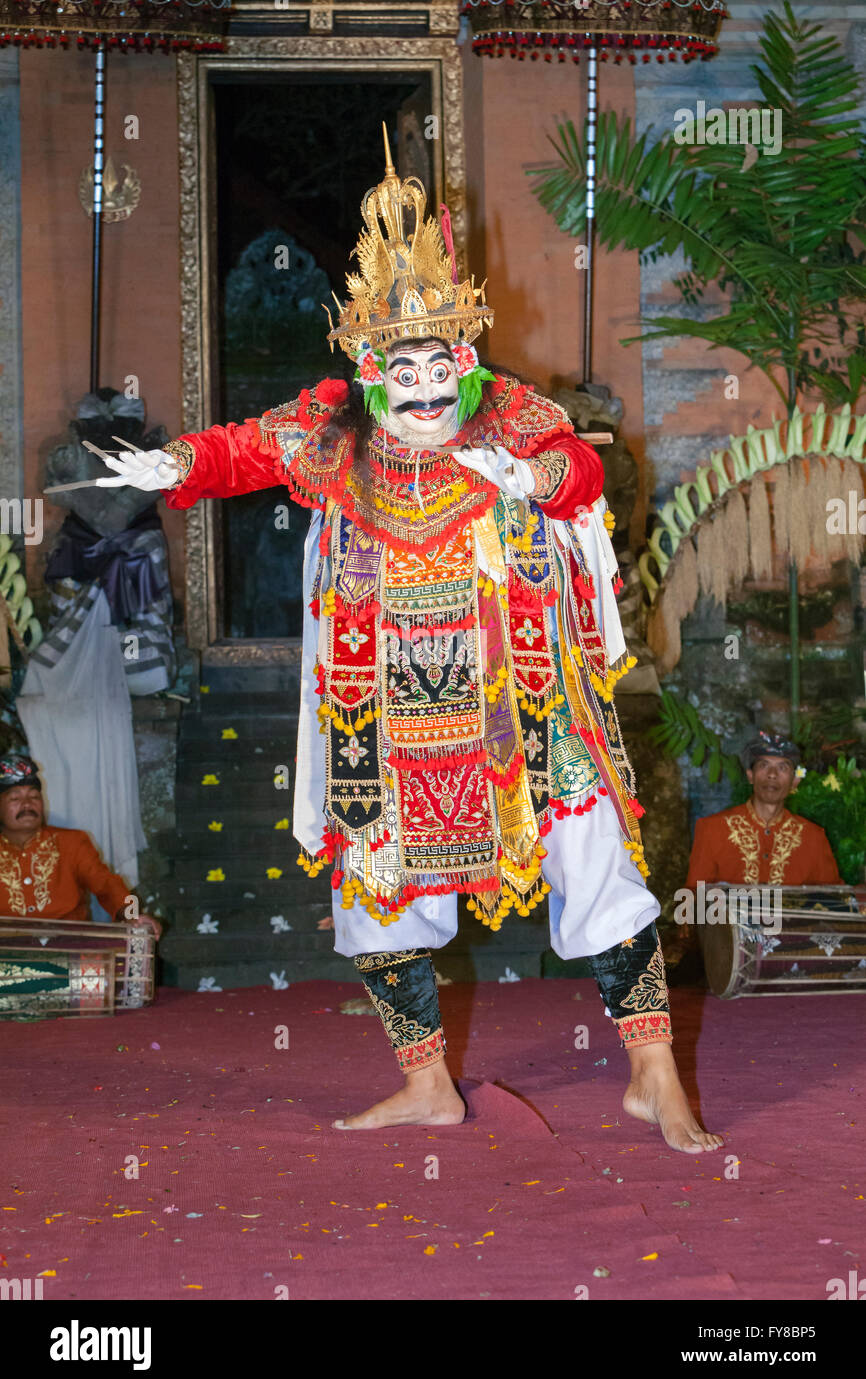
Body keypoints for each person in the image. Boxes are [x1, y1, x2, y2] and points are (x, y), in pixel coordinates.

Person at [96, 133, 721, 1152]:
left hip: (523, 697)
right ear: (371, 368)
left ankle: (652, 1073)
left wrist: (534, 480)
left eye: (441, 364)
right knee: (375, 897)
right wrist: (169, 466)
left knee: (598, 855)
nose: (426, 388)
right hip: (375, 712)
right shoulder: (330, 431)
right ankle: (426, 1083)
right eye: (405, 367)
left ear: (463, 361)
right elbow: (240, 449)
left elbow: (579, 470)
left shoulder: (507, 414)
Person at [0, 753, 163, 933]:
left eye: (34, 796)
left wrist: (133, 916)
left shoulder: (72, 843)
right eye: (15, 799)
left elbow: (109, 885)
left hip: (69, 947)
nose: (27, 805)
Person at [686, 732, 842, 890]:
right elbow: (691, 903)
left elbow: (834, 900)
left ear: (794, 781)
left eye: (782, 767)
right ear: (750, 776)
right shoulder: (712, 829)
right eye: (764, 765)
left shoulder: (813, 837)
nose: (772, 775)